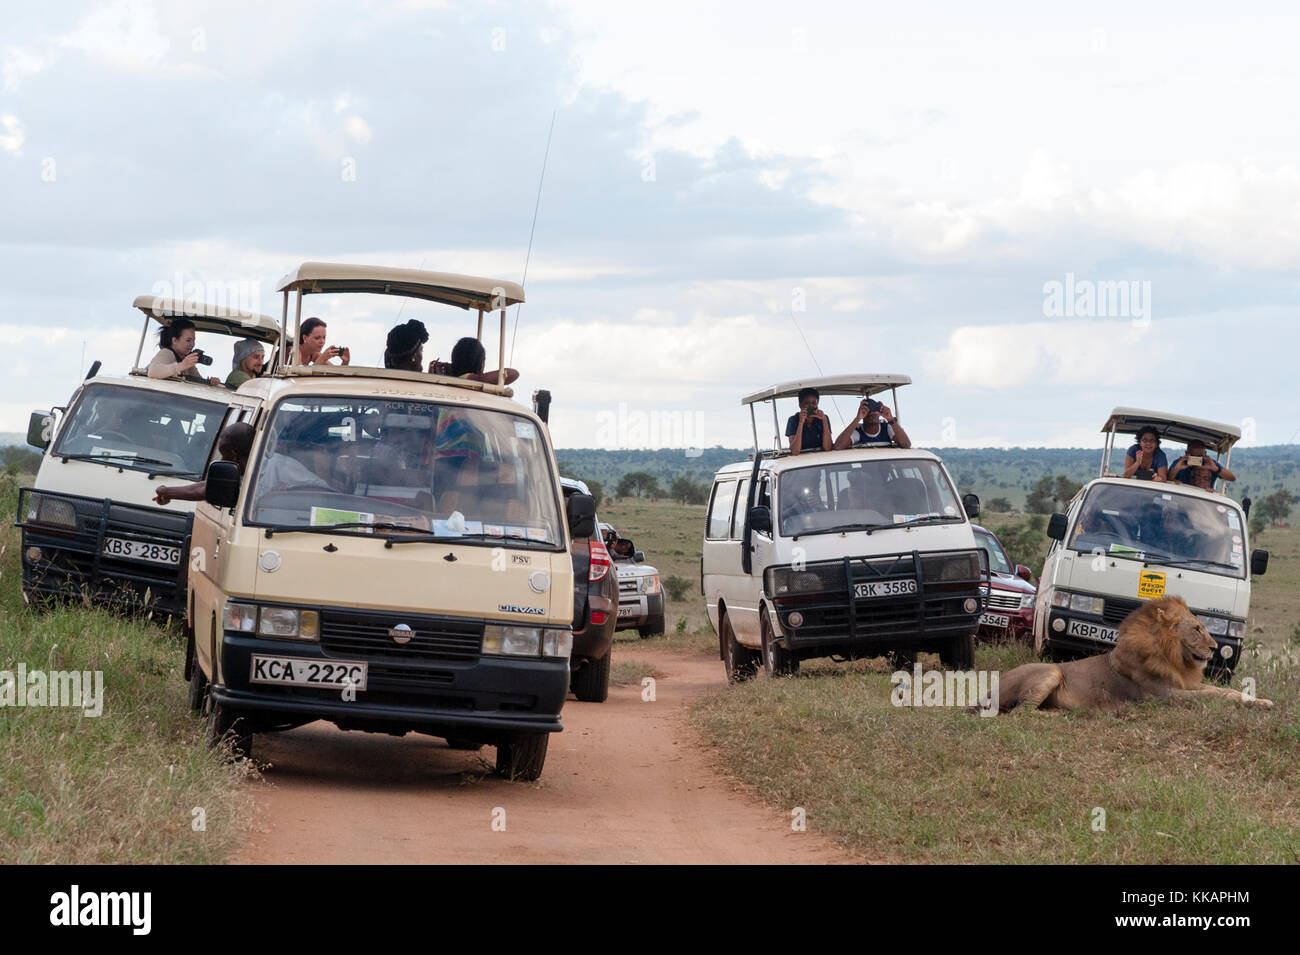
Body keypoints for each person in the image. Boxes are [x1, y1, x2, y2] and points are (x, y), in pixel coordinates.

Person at [153, 423, 254, 505]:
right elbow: (208, 485)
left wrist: (166, 492)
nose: (222, 460)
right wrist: (167, 492)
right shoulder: (249, 470)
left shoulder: (256, 479)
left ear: (233, 455)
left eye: (224, 455)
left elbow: (198, 492)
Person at [146, 319, 221, 385]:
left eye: (193, 340)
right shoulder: (167, 353)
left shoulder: (185, 359)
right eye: (188, 340)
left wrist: (209, 382)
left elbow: (197, 381)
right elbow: (153, 372)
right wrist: (181, 365)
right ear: (175, 341)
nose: (192, 344)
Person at [432, 336, 519, 384]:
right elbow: (513, 373)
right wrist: (476, 377)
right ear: (481, 363)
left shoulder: (449, 382)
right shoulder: (469, 380)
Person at [834, 397, 912, 450]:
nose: (872, 413)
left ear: (879, 412)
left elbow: (906, 444)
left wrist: (890, 419)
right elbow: (838, 446)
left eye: (875, 409)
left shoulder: (887, 428)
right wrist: (857, 418)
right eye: (868, 410)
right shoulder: (858, 431)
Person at [1169, 440, 1236, 492]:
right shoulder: (1180, 462)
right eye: (1194, 456)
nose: (1197, 459)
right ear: (1187, 453)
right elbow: (1167, 480)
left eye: (1200, 456)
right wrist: (1176, 469)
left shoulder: (1209, 463)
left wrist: (1216, 469)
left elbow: (1232, 478)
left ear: (1205, 454)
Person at [785, 388, 831, 454]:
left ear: (817, 404)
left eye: (813, 403)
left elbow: (828, 448)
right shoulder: (793, 420)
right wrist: (801, 423)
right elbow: (795, 451)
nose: (810, 406)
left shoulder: (823, 419)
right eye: (806, 403)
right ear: (800, 405)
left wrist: (824, 421)